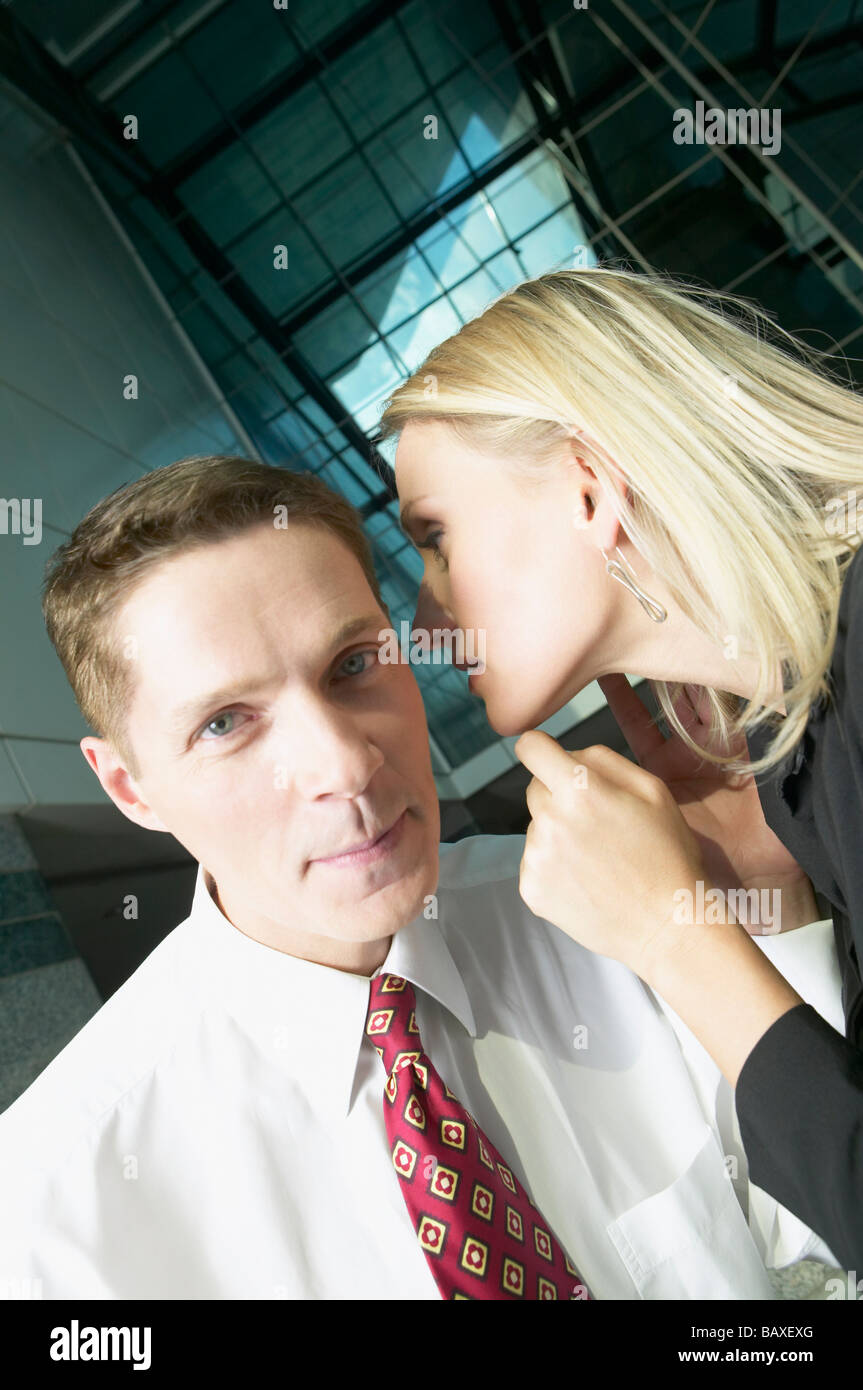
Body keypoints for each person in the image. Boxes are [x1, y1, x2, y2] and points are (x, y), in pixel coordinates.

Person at [0, 456, 842, 1299]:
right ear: (129, 787)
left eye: (353, 666)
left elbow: (814, 1229)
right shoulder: (53, 1213)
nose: (343, 762)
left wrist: (760, 890)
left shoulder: (605, 903)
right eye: (225, 723)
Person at [377, 261, 863, 1271]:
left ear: (588, 488)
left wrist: (671, 938)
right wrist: (777, 873)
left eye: (435, 536)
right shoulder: (798, 746)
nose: (424, 622)